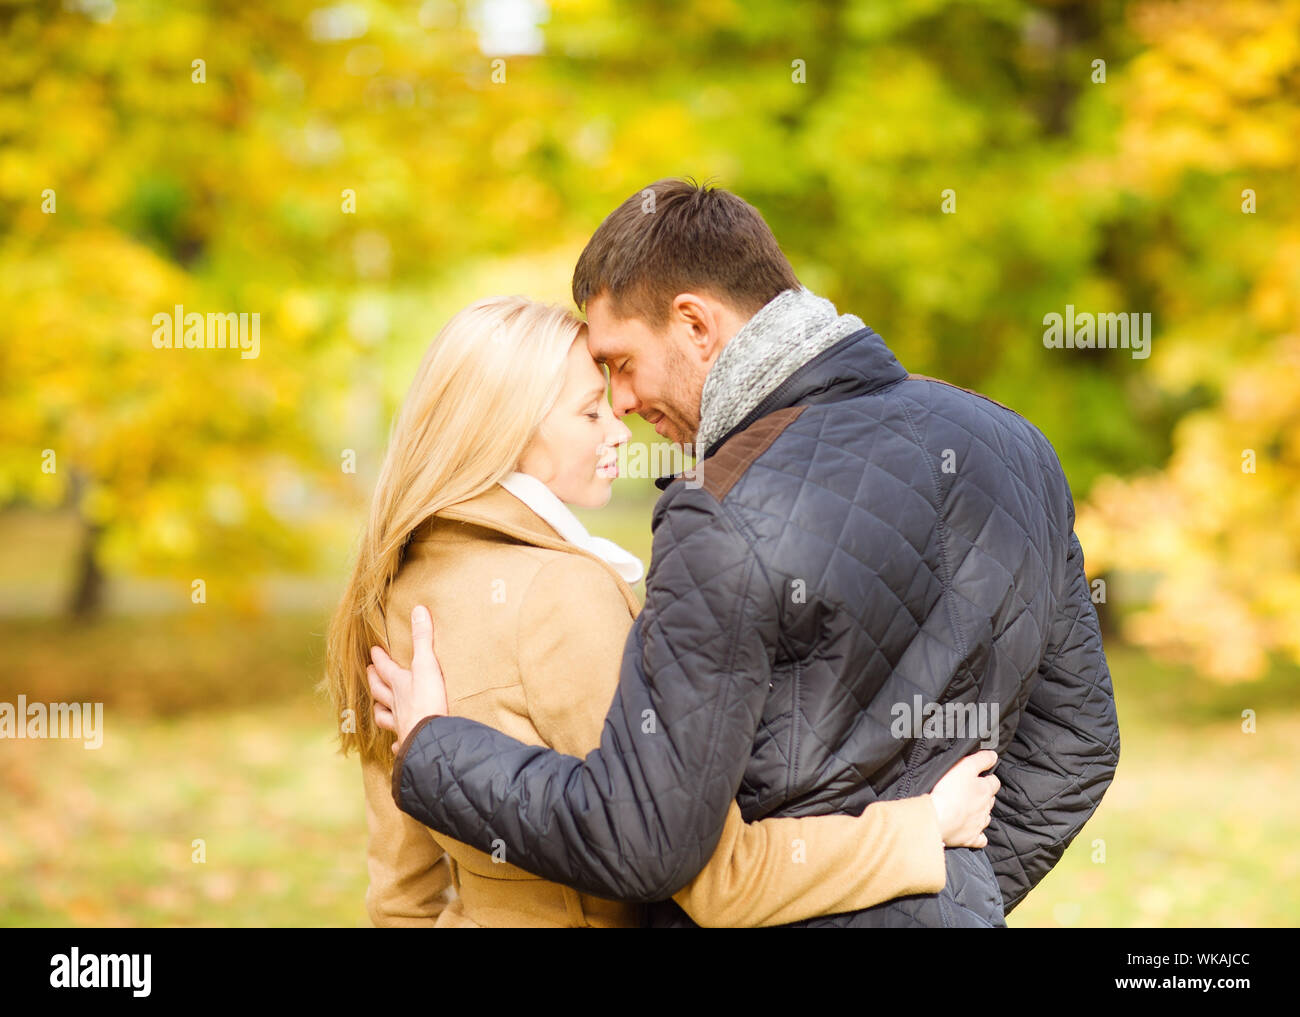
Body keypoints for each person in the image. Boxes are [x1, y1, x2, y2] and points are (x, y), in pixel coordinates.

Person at [374, 178, 1122, 928]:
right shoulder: (1017, 448)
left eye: (623, 364)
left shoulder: (722, 507)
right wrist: (949, 891)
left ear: (696, 324)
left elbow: (650, 842)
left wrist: (435, 753)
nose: (624, 405)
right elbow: (1077, 745)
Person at [325, 294, 1001, 927]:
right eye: (589, 413)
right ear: (503, 433)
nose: (618, 428)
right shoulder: (561, 594)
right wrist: (920, 826)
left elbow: (402, 895)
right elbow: (710, 876)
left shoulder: (395, 590)